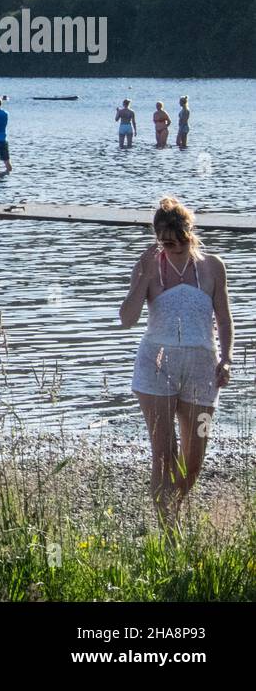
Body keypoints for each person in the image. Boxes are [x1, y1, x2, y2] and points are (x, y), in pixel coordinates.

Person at [120, 197, 233, 526]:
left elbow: (224, 320)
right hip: (156, 369)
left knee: (194, 458)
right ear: (157, 239)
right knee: (164, 452)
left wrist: (226, 358)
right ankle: (169, 531)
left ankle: (172, 508)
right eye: (165, 243)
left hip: (202, 372)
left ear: (190, 233)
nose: (173, 249)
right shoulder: (148, 267)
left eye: (179, 242)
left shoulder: (212, 266)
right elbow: (127, 319)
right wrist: (144, 277)